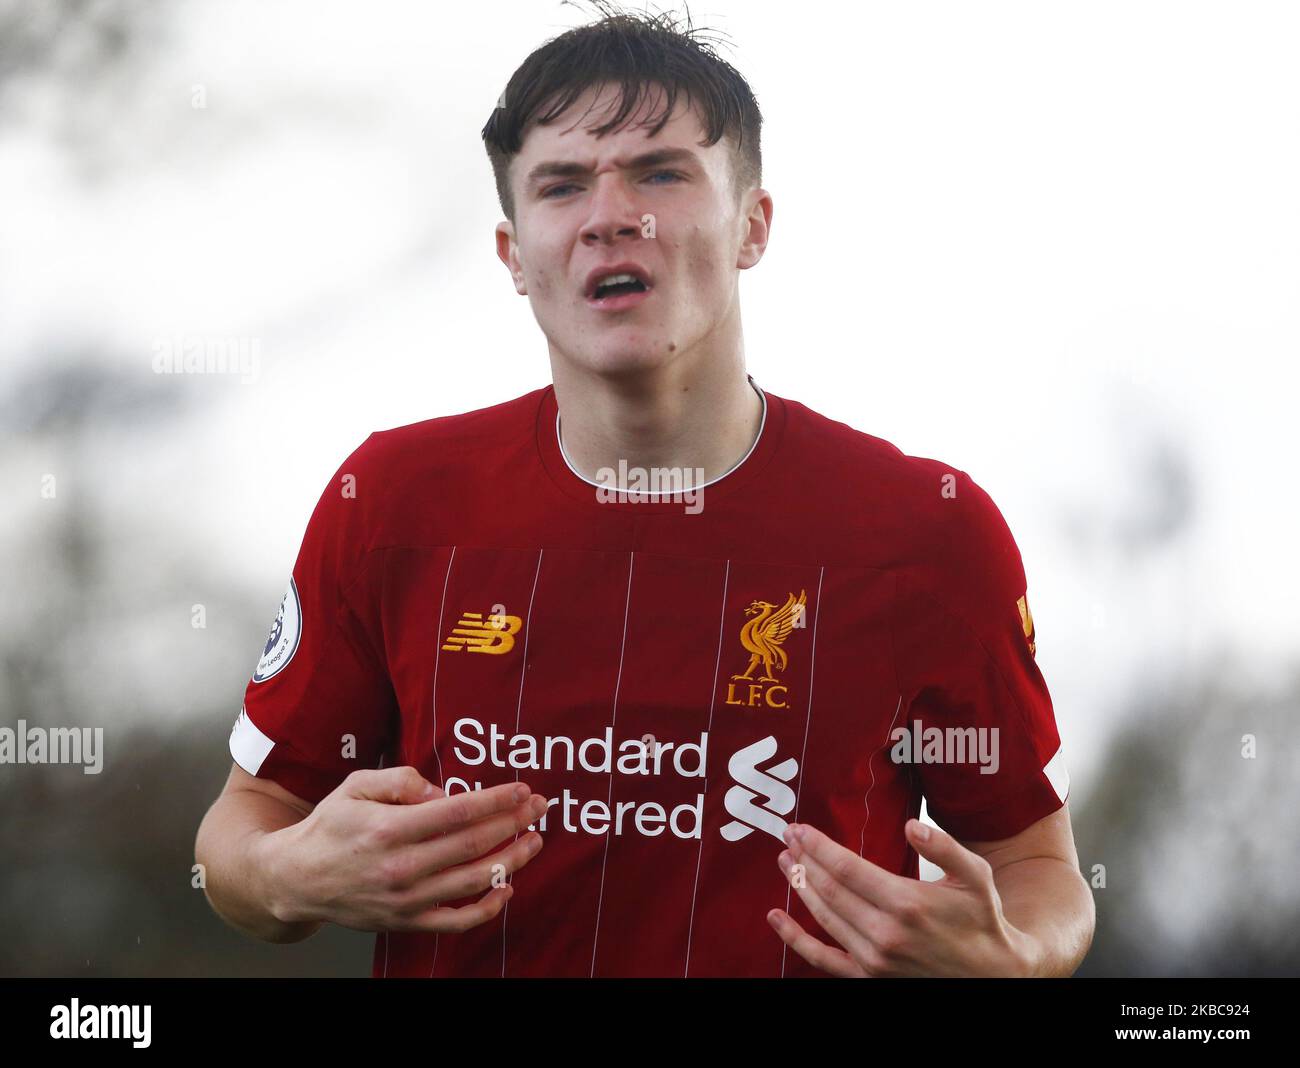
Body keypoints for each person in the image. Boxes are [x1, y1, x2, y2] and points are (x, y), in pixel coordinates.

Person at [195, 4, 1094, 978]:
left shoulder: (926, 534)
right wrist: (287, 875)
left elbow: (1038, 869)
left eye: (660, 172)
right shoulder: (393, 503)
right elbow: (244, 830)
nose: (610, 213)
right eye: (561, 184)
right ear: (514, 256)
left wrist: (1014, 957)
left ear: (752, 226)